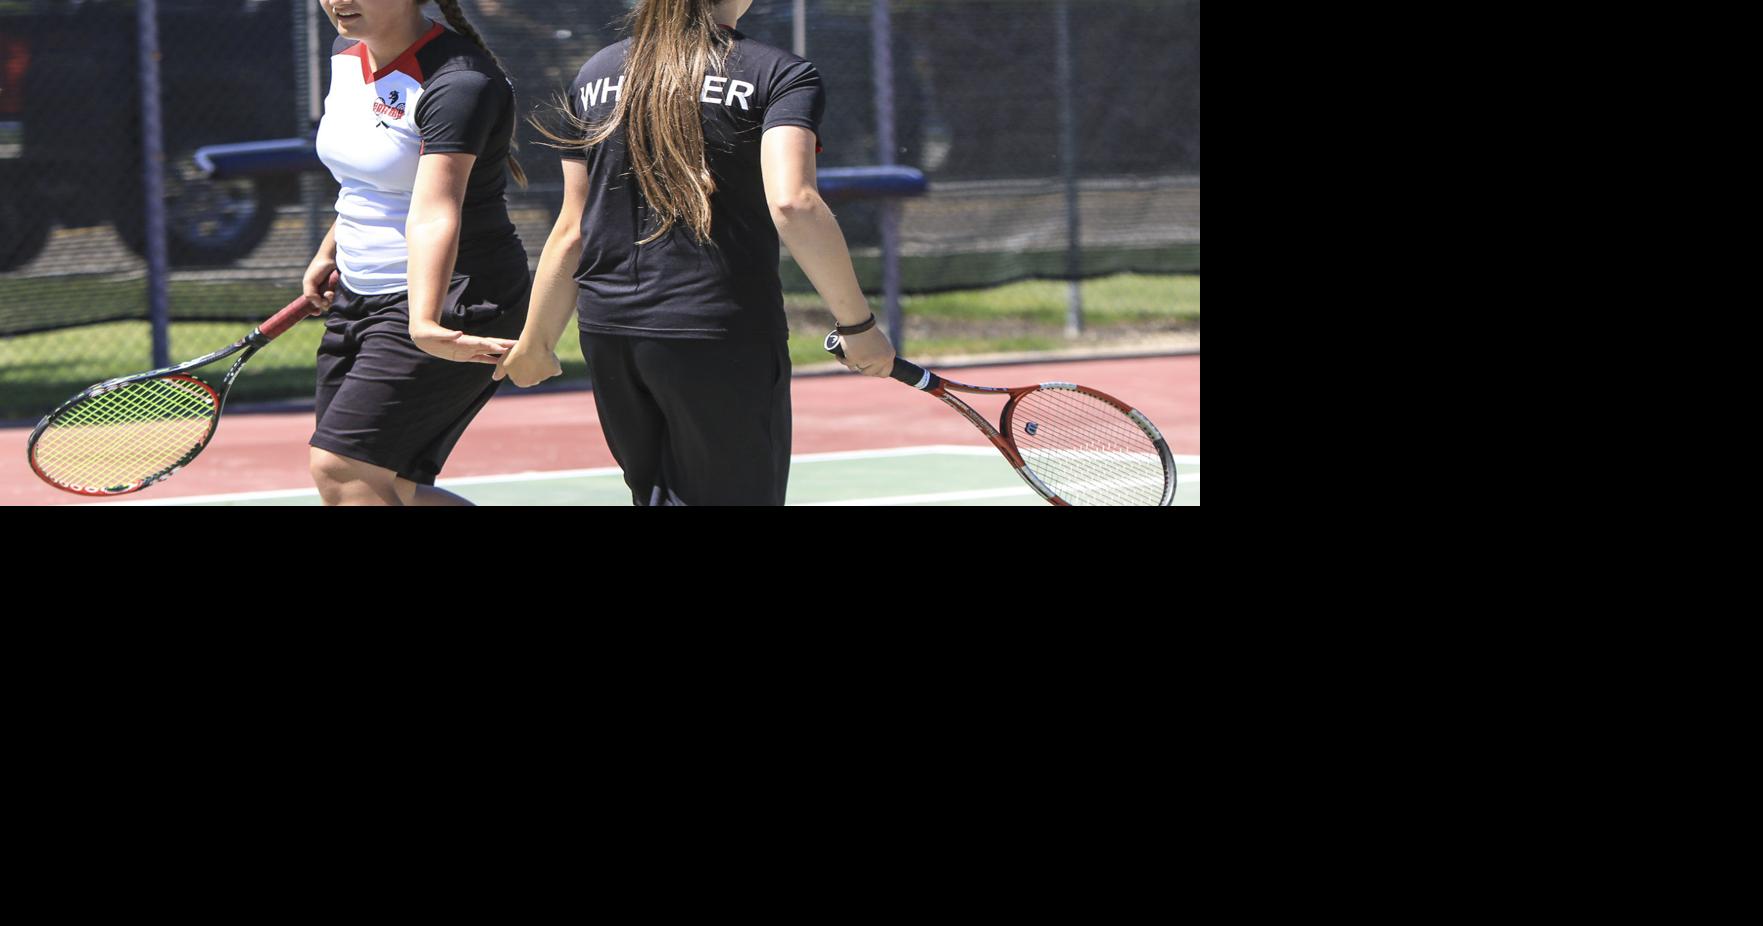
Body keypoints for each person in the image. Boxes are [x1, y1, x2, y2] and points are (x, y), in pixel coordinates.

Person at [495, 0, 894, 506]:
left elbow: (574, 227)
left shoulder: (595, 73)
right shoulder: (779, 73)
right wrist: (857, 327)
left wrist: (537, 340)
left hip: (610, 333)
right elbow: (793, 202)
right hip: (716, 332)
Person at [302, 0, 532, 506]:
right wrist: (330, 251)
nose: (338, 0)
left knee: (344, 469)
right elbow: (373, 180)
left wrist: (424, 322)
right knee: (390, 486)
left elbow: (435, 210)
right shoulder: (346, 54)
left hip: (456, 294)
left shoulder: (459, 83)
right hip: (361, 296)